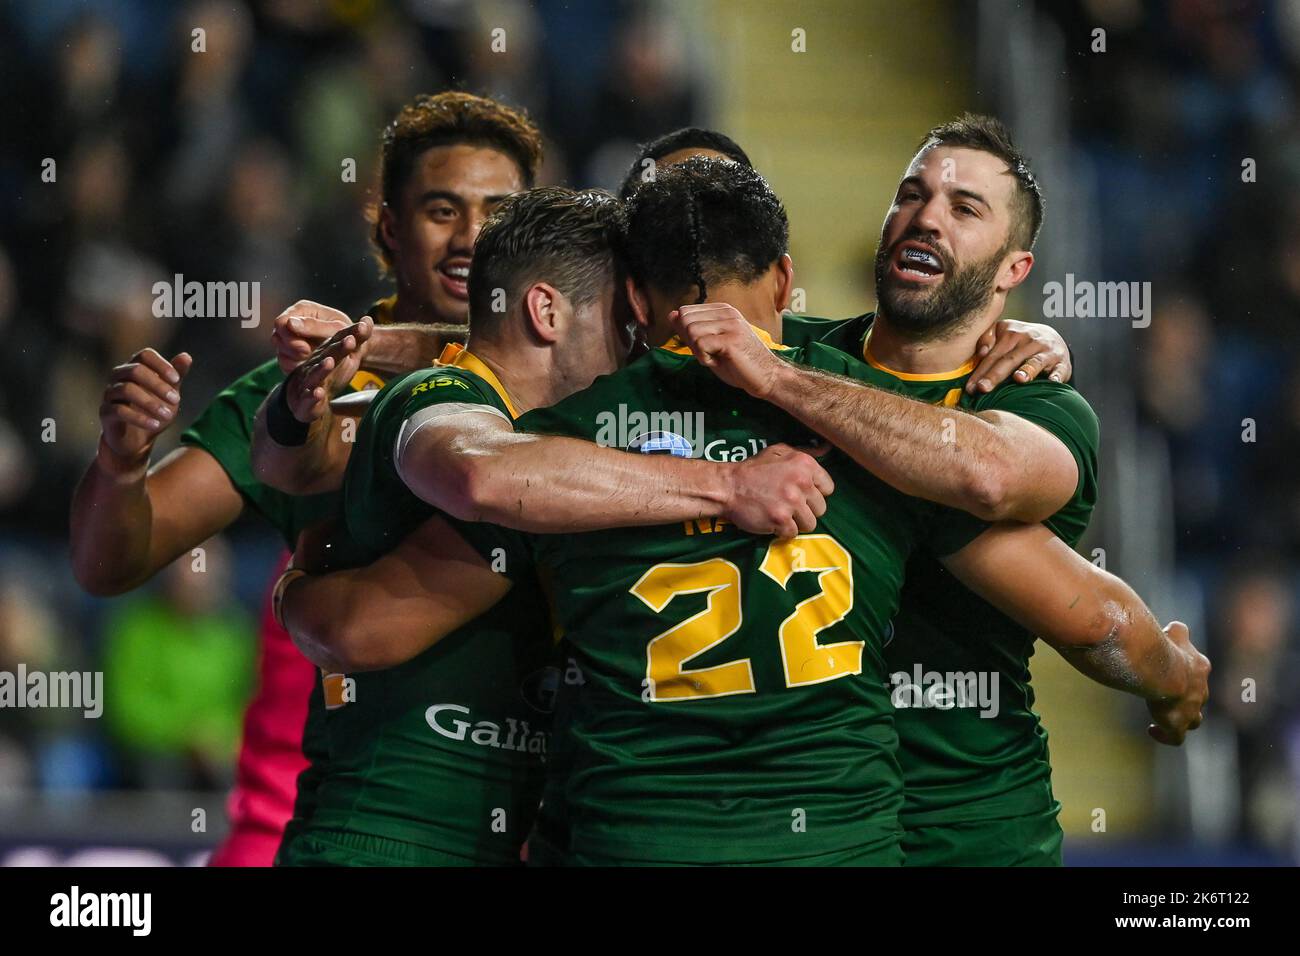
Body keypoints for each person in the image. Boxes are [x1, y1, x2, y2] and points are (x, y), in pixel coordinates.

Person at [277, 158, 1208, 866]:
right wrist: (1172, 675)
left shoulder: (562, 449)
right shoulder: (883, 435)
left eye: (963, 205)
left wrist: (299, 591)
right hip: (838, 844)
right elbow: (1090, 617)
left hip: (635, 841)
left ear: (634, 299)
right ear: (786, 283)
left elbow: (369, 618)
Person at [69, 90, 545, 865]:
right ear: (390, 228)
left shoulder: (584, 390)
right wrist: (121, 462)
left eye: (499, 211)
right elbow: (108, 561)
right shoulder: (309, 393)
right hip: (345, 832)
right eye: (441, 210)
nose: (472, 238)